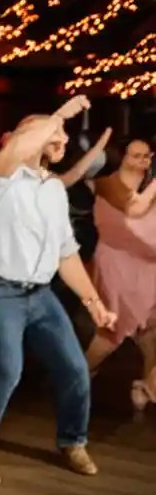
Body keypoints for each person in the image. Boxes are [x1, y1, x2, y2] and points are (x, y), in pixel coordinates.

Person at [0, 95, 116, 485]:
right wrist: (58, 114)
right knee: (5, 373)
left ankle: (72, 441)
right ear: (18, 138)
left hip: (39, 296)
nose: (59, 138)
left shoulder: (53, 190)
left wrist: (93, 301)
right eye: (52, 132)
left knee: (75, 368)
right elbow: (17, 151)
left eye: (62, 134)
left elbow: (66, 254)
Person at [85, 136, 156, 412]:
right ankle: (76, 375)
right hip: (117, 265)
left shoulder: (148, 187)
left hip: (148, 267)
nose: (142, 160)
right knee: (111, 334)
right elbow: (133, 213)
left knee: (150, 332)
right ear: (121, 156)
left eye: (147, 155)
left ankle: (146, 388)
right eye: (135, 154)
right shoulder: (108, 184)